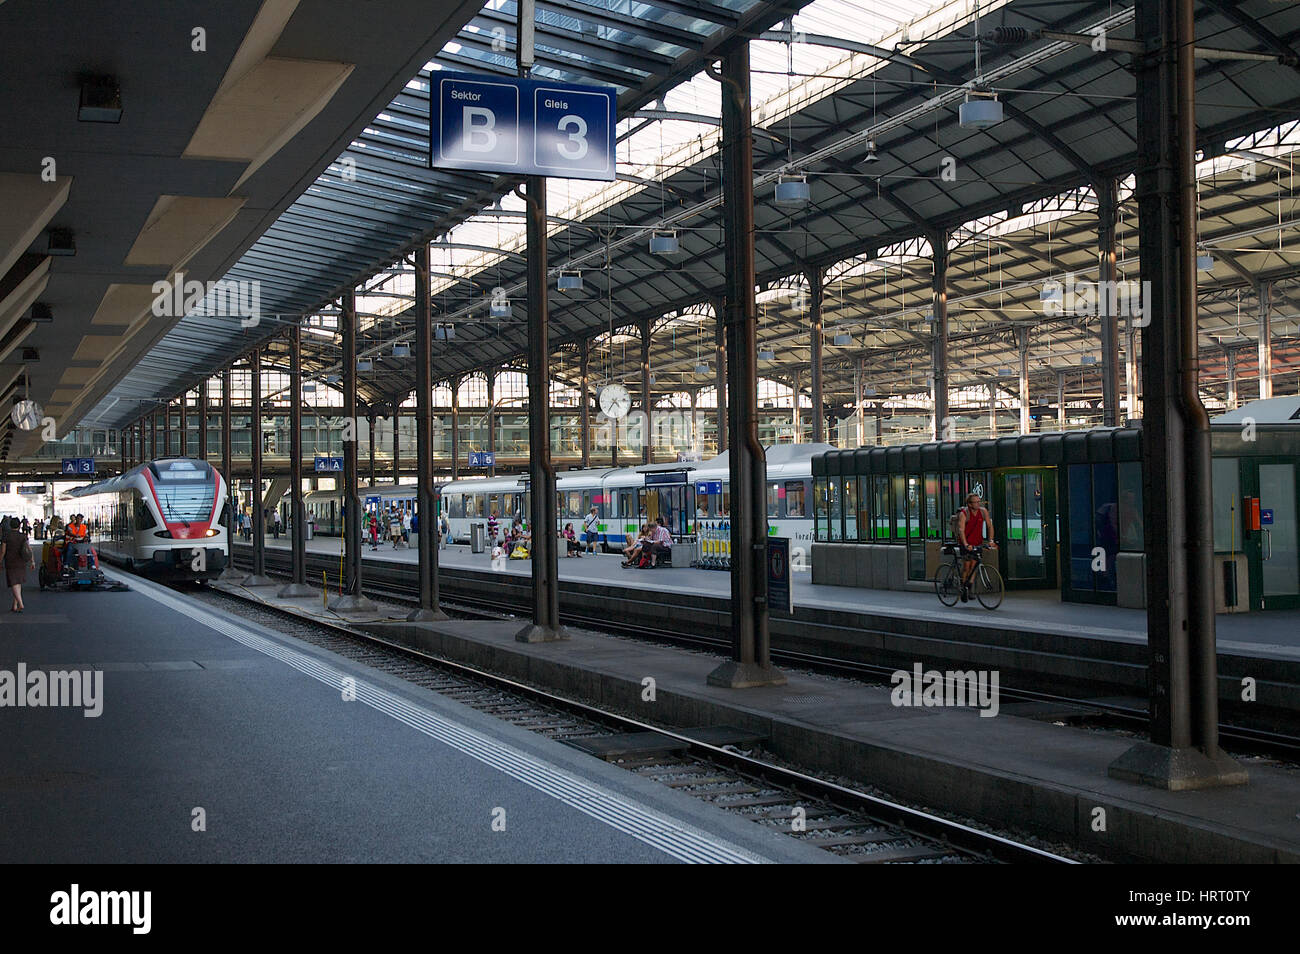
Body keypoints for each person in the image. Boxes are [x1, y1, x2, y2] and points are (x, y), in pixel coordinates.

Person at [955, 493, 996, 603]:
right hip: (966, 543)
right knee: (967, 566)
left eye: (979, 501)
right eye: (975, 502)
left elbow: (989, 525)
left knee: (975, 564)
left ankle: (970, 588)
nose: (978, 504)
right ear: (969, 504)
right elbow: (961, 530)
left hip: (977, 542)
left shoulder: (983, 512)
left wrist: (991, 540)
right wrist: (965, 544)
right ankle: (964, 588)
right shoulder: (964, 514)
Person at [0, 517, 35, 613]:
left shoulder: (6, 536)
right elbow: (29, 549)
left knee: (14, 582)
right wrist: (32, 561)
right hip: (21, 561)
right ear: (19, 525)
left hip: (10, 561)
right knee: (17, 582)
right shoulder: (23, 536)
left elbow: (3, 551)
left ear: (10, 525)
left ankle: (20, 603)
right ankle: (14, 606)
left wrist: (0, 561)